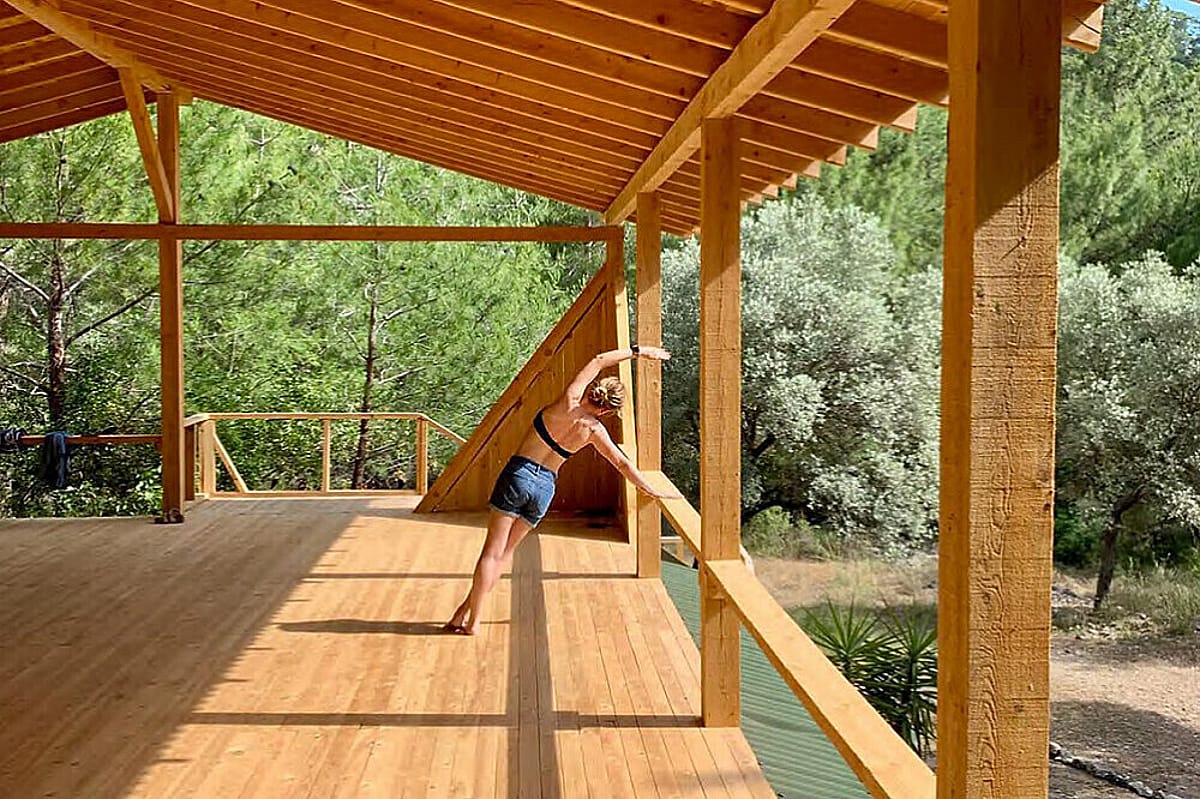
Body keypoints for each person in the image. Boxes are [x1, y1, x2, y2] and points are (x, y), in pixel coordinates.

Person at [445, 345, 681, 635]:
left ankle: (475, 620)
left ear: (593, 390)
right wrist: (652, 490)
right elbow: (622, 463)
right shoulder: (595, 431)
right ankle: (462, 614)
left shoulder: (568, 402)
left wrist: (640, 351)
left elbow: (598, 358)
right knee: (505, 556)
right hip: (544, 489)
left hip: (518, 475)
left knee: (492, 554)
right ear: (608, 410)